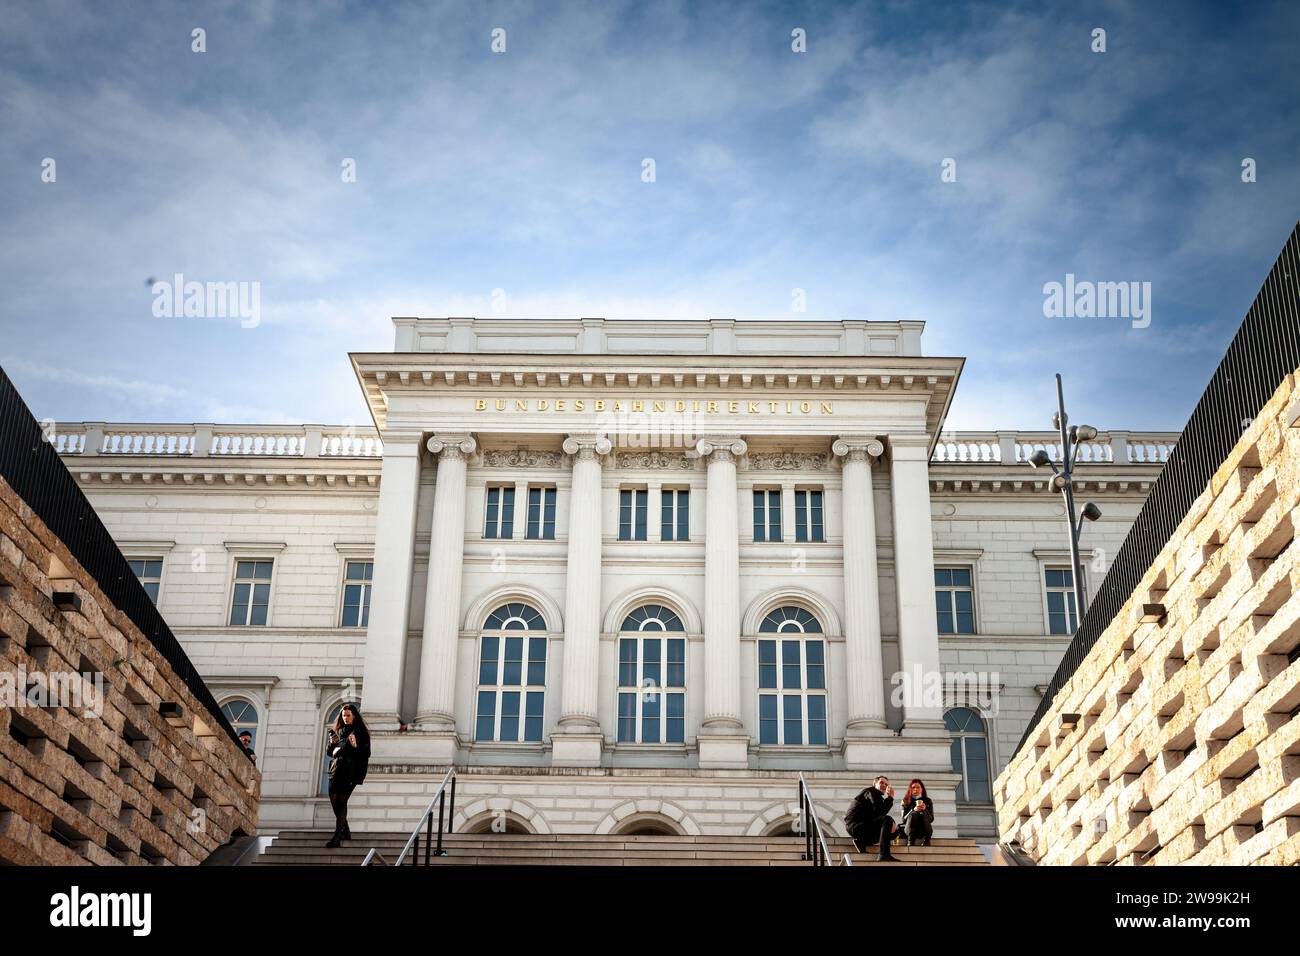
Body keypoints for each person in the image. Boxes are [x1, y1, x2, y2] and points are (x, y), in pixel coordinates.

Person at [324, 703, 371, 848]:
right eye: (343, 715)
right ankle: (346, 830)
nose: (345, 718)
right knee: (334, 800)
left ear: (354, 716)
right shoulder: (337, 731)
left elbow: (366, 753)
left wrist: (356, 746)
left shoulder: (361, 732)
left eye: (348, 715)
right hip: (336, 770)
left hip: (351, 771)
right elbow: (329, 753)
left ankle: (337, 836)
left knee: (342, 801)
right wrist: (332, 744)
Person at [844, 775, 901, 862]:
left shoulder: (878, 797)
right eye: (881, 782)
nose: (884, 786)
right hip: (855, 826)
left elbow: (879, 814)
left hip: (862, 827)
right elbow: (880, 811)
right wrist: (890, 797)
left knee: (894, 832)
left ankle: (862, 842)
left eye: (886, 784)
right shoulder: (871, 791)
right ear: (874, 784)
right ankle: (884, 854)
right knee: (888, 820)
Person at [900, 778, 934, 847]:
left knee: (922, 814)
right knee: (914, 814)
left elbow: (931, 819)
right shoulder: (905, 801)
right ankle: (910, 840)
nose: (916, 789)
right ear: (910, 789)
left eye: (918, 787)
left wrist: (925, 810)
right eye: (913, 787)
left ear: (922, 789)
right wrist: (913, 810)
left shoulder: (928, 801)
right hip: (910, 830)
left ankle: (927, 840)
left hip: (924, 830)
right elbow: (903, 820)